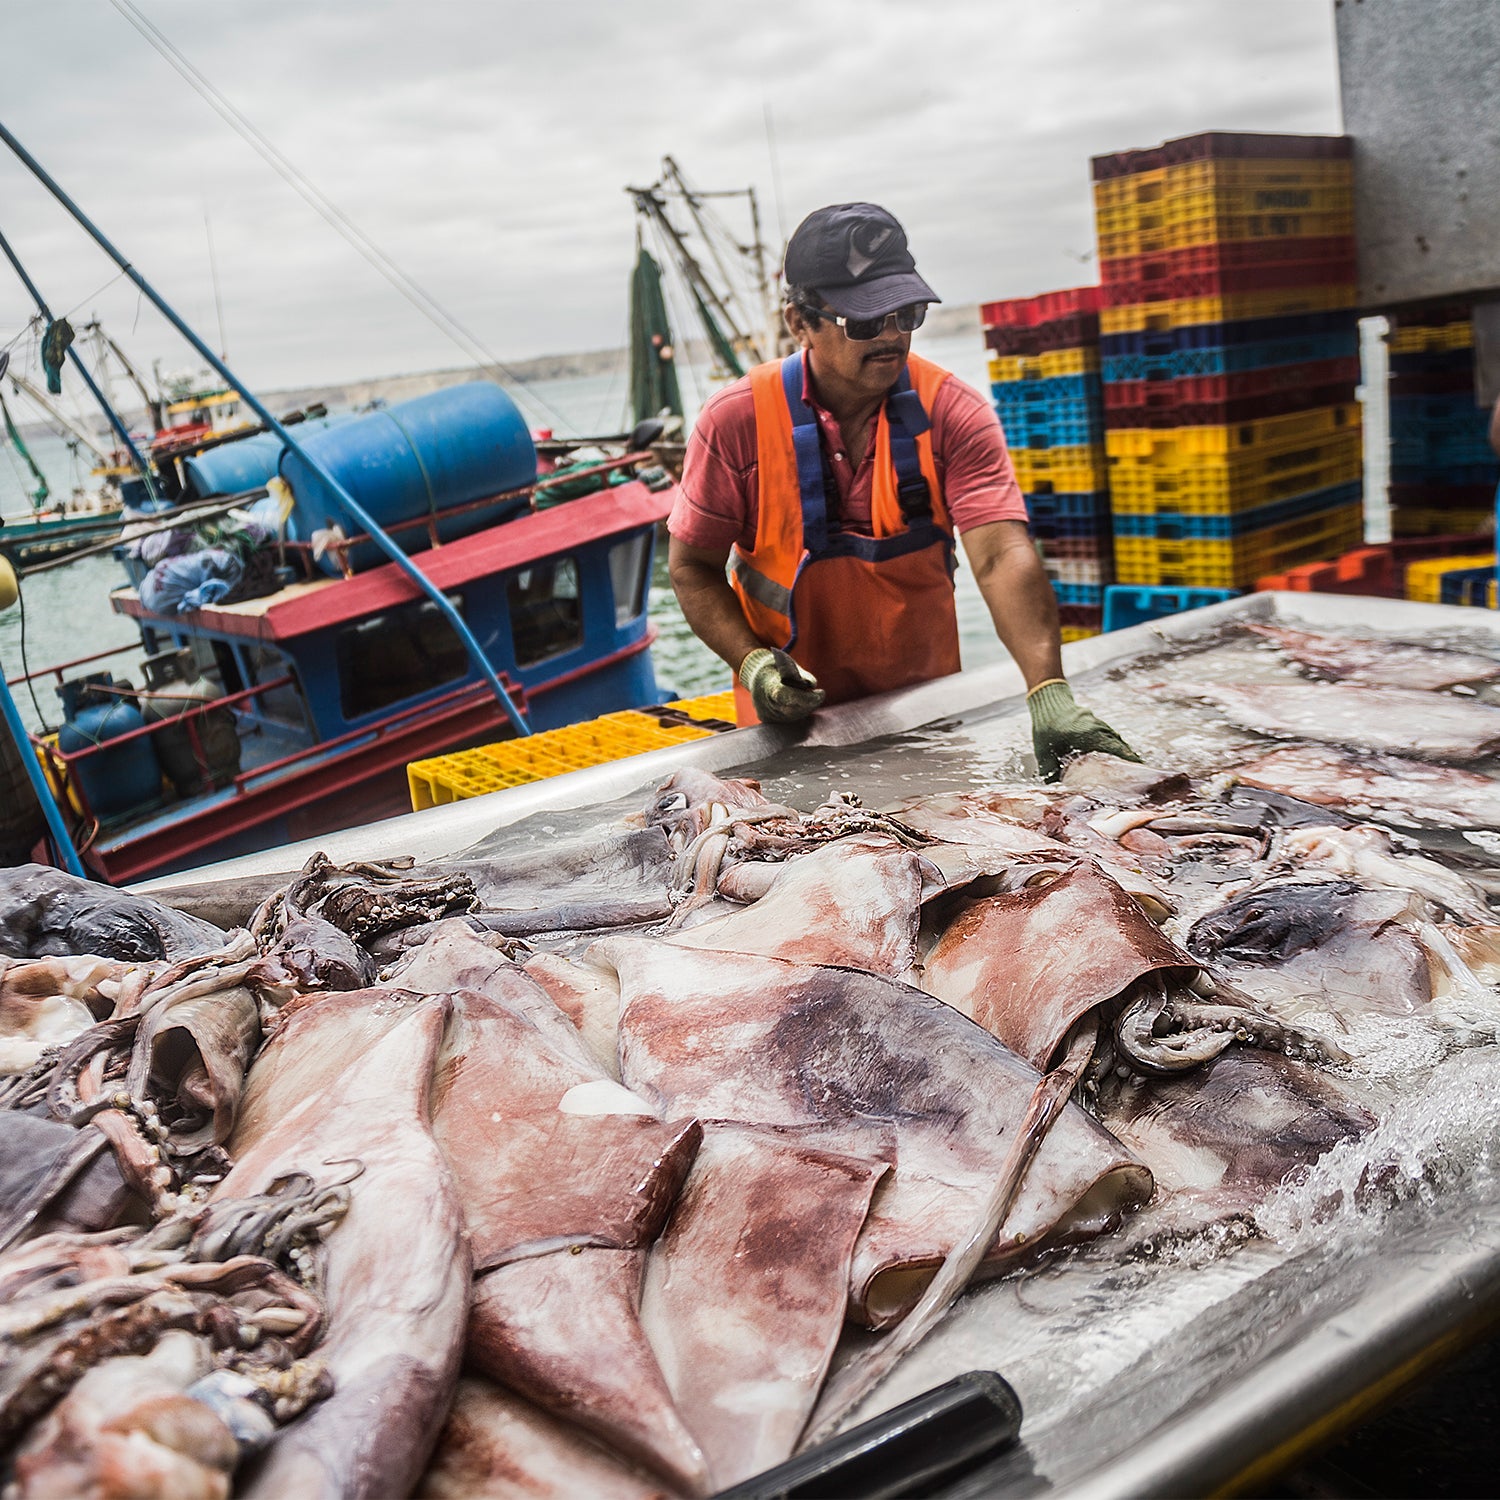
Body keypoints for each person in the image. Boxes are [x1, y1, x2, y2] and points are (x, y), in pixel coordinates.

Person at [666, 201, 1138, 780]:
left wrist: (1048, 692)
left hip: (930, 723)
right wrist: (753, 664)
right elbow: (692, 567)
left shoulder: (954, 412)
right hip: (789, 734)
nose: (892, 335)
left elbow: (1001, 556)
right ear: (799, 322)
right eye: (865, 322)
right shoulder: (734, 422)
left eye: (906, 314)